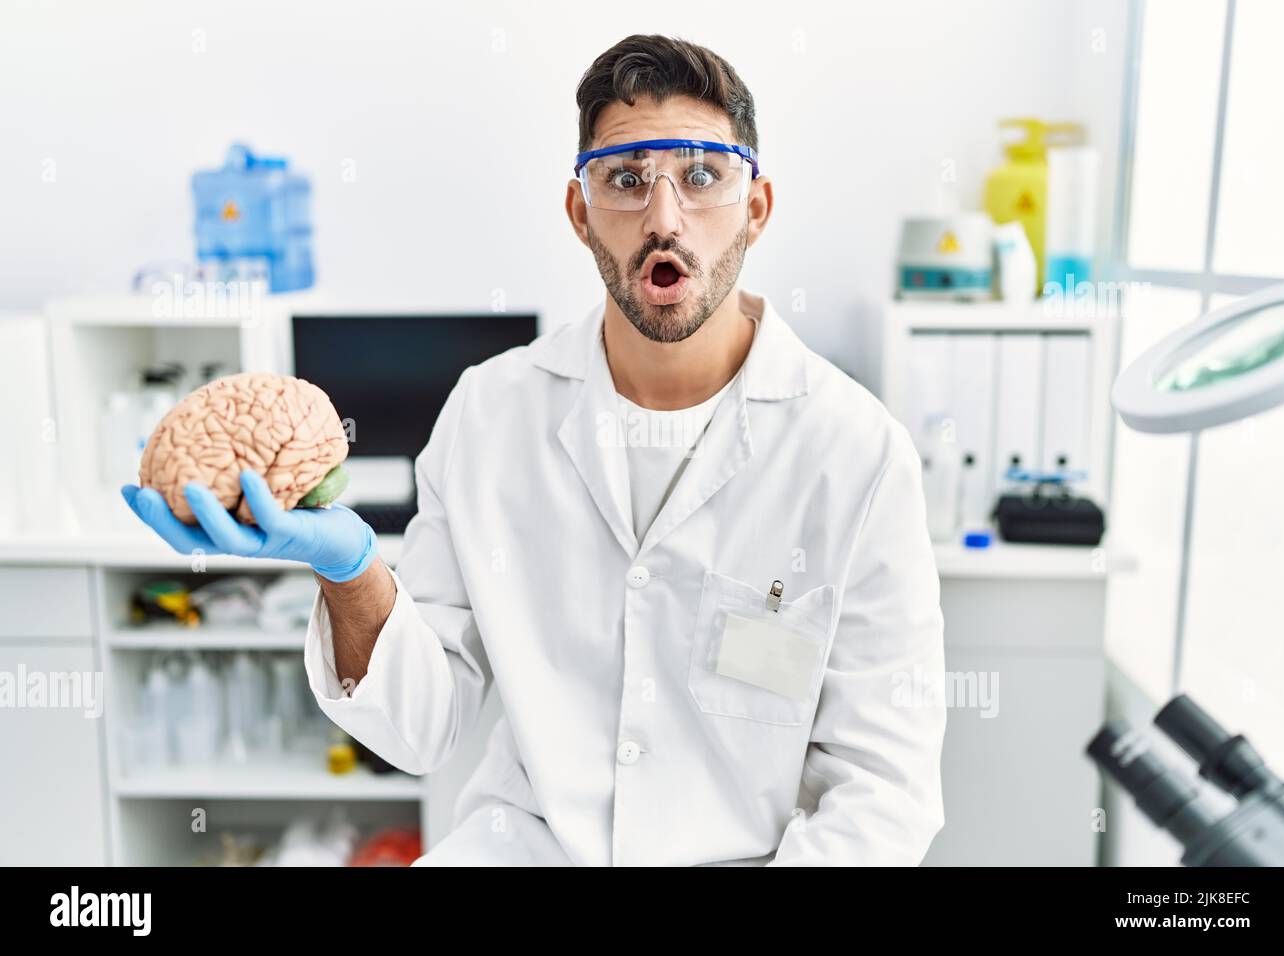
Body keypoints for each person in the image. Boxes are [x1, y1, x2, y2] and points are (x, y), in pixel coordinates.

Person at [123, 34, 947, 866]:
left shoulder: (857, 456)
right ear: (580, 211)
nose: (665, 217)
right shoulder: (492, 411)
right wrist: (351, 573)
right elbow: (421, 726)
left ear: (757, 207)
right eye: (625, 179)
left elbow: (884, 793)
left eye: (702, 176)